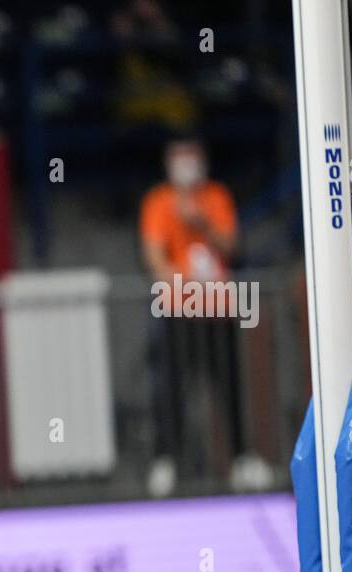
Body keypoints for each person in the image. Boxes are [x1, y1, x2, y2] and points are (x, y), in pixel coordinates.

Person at [140, 135, 268, 497]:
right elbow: (154, 257)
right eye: (179, 157)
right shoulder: (158, 202)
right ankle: (166, 462)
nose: (186, 164)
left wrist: (202, 223)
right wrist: (183, 285)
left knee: (229, 386)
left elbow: (232, 245)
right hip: (179, 310)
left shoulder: (216, 198)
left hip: (219, 310)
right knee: (173, 390)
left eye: (192, 157)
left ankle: (243, 459)